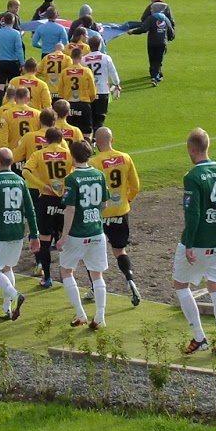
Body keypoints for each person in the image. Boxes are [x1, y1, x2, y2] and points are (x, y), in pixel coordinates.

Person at [174, 127, 216, 355]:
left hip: (199, 241)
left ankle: (199, 337)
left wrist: (189, 243)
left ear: (192, 149)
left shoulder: (192, 177)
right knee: (215, 288)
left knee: (181, 285)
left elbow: (193, 213)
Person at [58, 141, 111, 329]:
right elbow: (104, 204)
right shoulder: (99, 175)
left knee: (66, 270)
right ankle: (100, 316)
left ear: (73, 156)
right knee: (97, 275)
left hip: (77, 234)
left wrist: (64, 236)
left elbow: (70, 209)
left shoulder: (72, 179)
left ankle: (80, 314)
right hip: (96, 231)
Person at [0, 148, 34, 320]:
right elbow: (30, 209)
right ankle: (6, 309)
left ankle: (15, 294)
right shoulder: (21, 181)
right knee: (7, 268)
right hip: (17, 230)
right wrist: (35, 233)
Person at [93, 126, 143, 306]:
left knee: (95, 252)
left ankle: (94, 287)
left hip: (100, 214)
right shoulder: (125, 158)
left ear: (97, 143)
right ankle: (130, 280)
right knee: (119, 250)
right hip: (121, 211)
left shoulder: (95, 162)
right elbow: (135, 186)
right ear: (112, 140)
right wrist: (126, 200)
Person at [22, 125, 75, 290]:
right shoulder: (69, 154)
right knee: (66, 238)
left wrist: (42, 185)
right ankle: (66, 274)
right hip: (64, 200)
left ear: (46, 140)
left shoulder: (38, 154)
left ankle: (47, 277)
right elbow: (75, 170)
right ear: (62, 140)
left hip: (46, 200)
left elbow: (26, 172)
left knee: (44, 239)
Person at [80, 34, 121, 129]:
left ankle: (91, 139)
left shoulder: (83, 59)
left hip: (89, 92)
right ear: (100, 45)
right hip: (102, 91)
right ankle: (97, 137)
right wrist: (117, 84)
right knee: (100, 117)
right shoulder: (106, 58)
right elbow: (113, 72)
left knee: (91, 116)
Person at [0, 12, 26, 106]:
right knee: (13, 86)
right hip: (13, 63)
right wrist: (22, 64)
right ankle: (12, 106)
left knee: (0, 87)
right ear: (13, 21)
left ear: (3, 21)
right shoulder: (16, 33)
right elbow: (19, 49)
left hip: (1, 62)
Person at [143, 0, 175, 86]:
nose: (151, 10)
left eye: (152, 8)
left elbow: (144, 29)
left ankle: (154, 77)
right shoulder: (166, 19)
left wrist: (132, 32)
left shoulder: (151, 18)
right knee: (158, 60)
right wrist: (168, 38)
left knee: (153, 59)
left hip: (151, 43)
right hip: (162, 43)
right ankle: (156, 75)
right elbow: (171, 32)